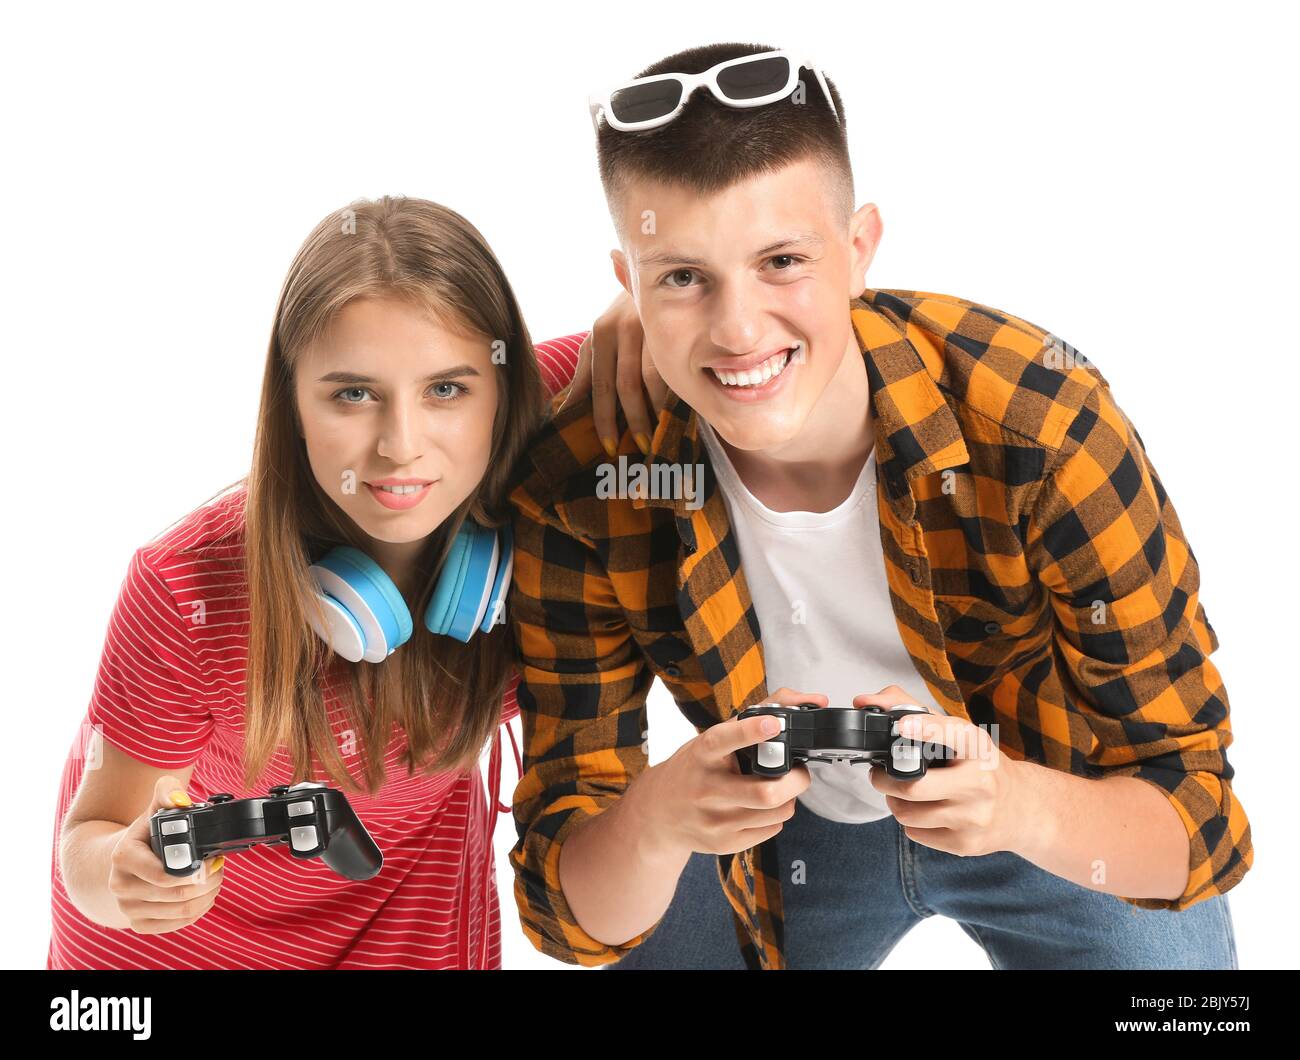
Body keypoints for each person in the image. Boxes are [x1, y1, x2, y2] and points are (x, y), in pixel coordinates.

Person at [506, 42, 1253, 970]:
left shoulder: (1040, 428)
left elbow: (1202, 821)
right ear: (631, 285)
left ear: (859, 250)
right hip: (774, 834)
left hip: (1051, 804)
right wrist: (660, 817)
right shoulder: (589, 483)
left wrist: (1011, 802)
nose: (738, 331)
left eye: (782, 260)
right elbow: (566, 910)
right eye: (684, 278)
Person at [48, 194, 642, 969]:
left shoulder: (543, 438)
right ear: (291, 404)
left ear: (506, 394)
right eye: (353, 394)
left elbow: (714, 321)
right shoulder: (184, 591)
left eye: (446, 390)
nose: (401, 445)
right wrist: (123, 874)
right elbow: (90, 843)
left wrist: (652, 304)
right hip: (184, 947)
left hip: (407, 917)